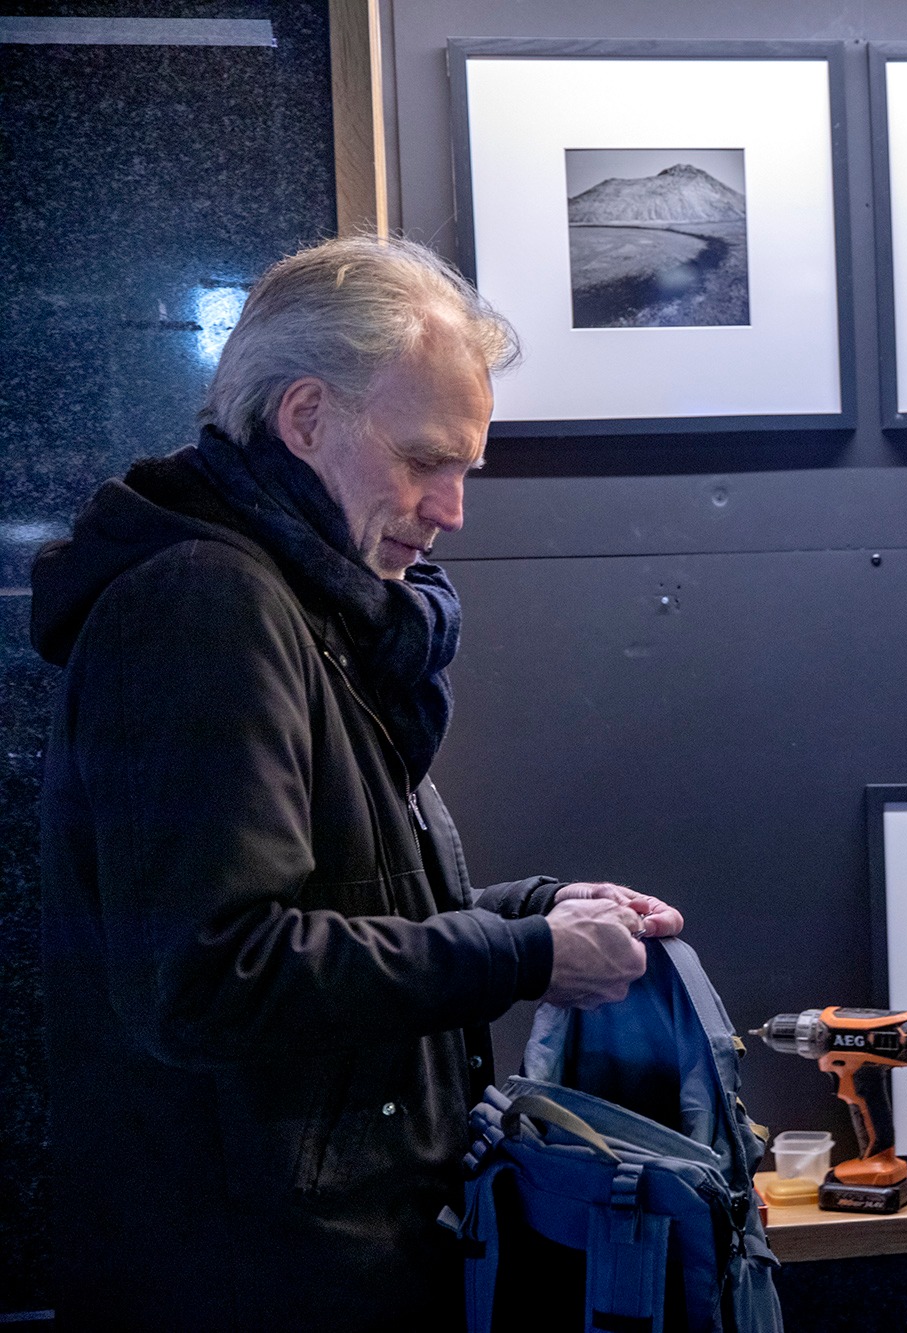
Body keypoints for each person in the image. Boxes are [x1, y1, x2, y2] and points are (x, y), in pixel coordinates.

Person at [31, 235, 680, 1330]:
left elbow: (335, 914)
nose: (452, 509)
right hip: (256, 1281)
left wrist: (535, 914)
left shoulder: (301, 602)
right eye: (428, 460)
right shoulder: (205, 607)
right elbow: (212, 972)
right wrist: (520, 954)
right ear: (304, 422)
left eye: (466, 467)